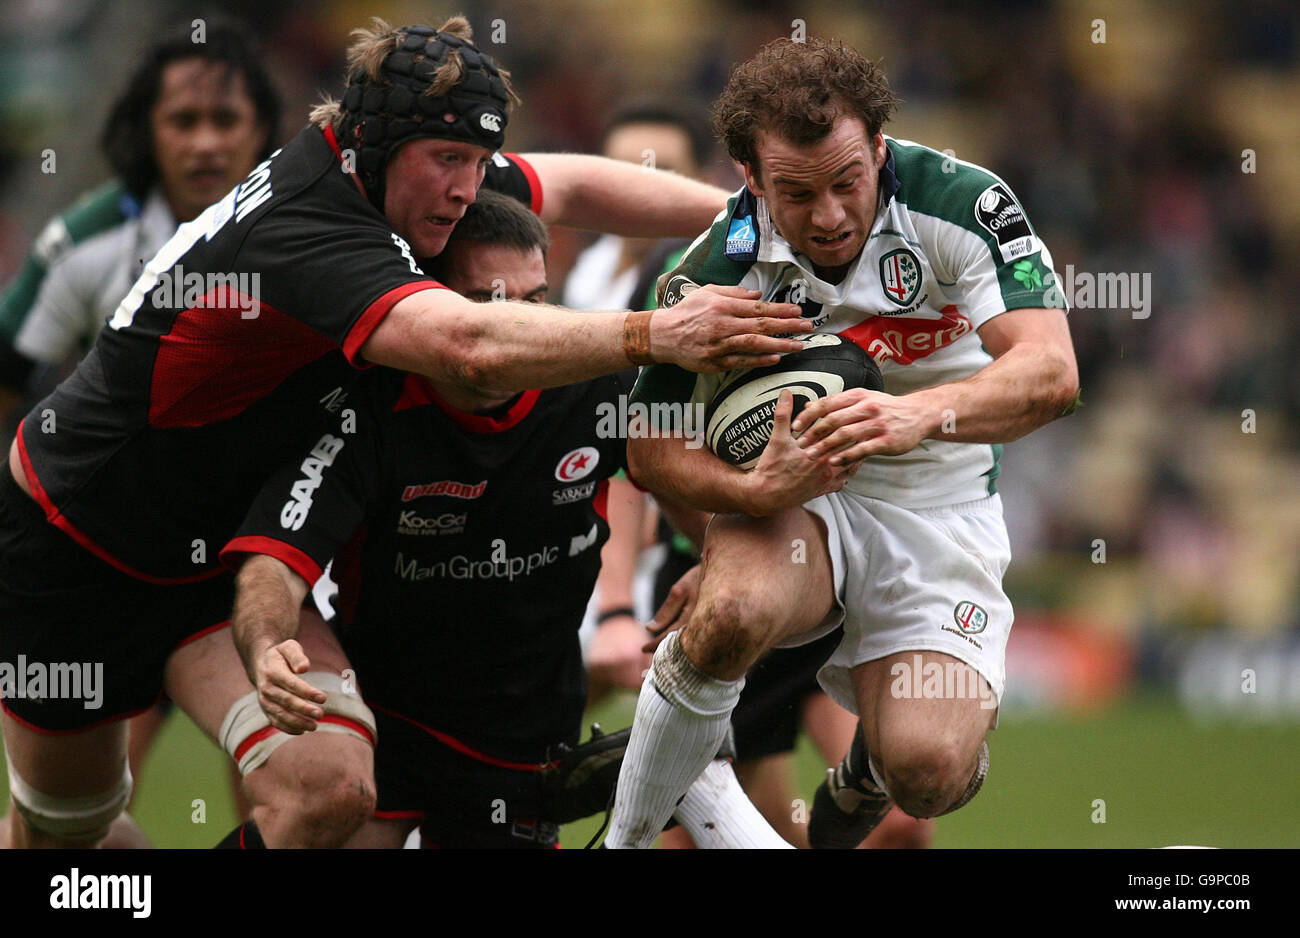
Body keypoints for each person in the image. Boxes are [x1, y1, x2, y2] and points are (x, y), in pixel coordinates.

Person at [0, 16, 809, 850]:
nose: (468, 188)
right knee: (69, 828)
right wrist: (655, 334)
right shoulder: (311, 227)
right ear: (373, 146)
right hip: (78, 542)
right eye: (450, 163)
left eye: (475, 163)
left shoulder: (403, 173)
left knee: (329, 789)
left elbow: (572, 188)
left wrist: (757, 227)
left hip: (218, 552)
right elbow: (470, 343)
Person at [605, 35, 1078, 849]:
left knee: (926, 778)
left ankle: (865, 766)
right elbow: (648, 445)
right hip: (806, 498)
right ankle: (623, 841)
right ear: (750, 178)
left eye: (848, 181)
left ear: (879, 148)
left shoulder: (962, 203)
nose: (828, 215)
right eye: (795, 192)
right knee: (727, 619)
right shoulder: (718, 265)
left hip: (941, 505)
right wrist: (742, 502)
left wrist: (918, 415)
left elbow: (1051, 372)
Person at [219, 190, 790, 849]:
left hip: (528, 737)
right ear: (429, 310)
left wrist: (719, 557)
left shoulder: (594, 388)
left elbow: (675, 477)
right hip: (391, 724)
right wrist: (266, 646)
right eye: (490, 304)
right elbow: (274, 559)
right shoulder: (370, 412)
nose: (519, 326)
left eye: (534, 301)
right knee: (332, 815)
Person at [0, 19, 280, 426]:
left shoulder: (306, 232)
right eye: (184, 121)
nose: (205, 144)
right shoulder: (81, 240)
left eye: (225, 120)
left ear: (261, 129)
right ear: (148, 131)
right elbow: (7, 374)